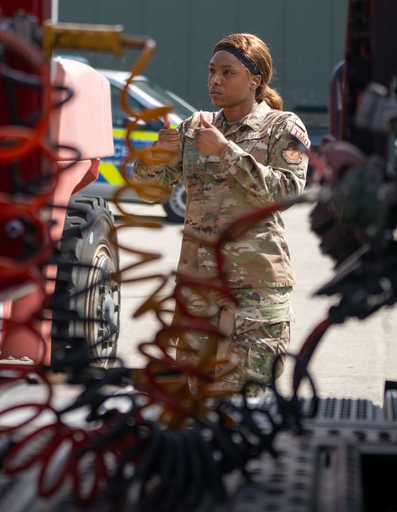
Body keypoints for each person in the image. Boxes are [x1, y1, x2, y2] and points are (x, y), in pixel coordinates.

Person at [131, 32, 310, 394]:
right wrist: (157, 155)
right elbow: (149, 191)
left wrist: (227, 152)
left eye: (227, 73)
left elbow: (288, 192)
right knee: (189, 397)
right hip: (199, 288)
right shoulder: (196, 127)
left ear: (255, 79)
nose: (214, 80)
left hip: (253, 290)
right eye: (211, 71)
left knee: (242, 400)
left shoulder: (282, 127)